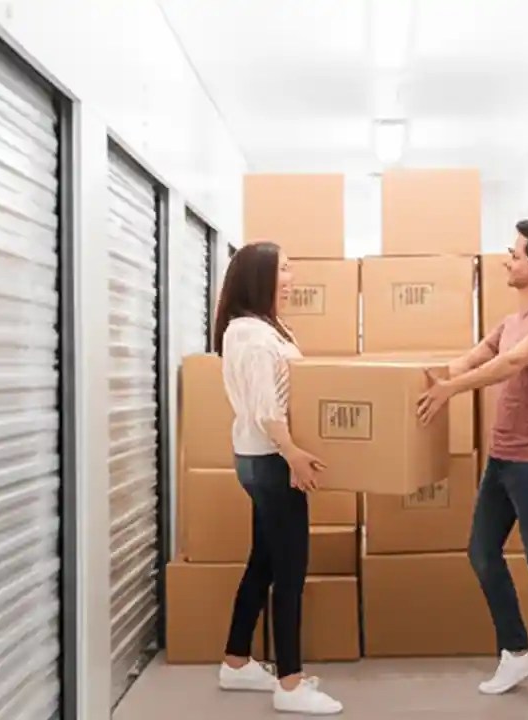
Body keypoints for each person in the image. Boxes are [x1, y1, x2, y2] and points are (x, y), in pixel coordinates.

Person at [416, 220, 528, 713]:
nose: (506, 261)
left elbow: (512, 364)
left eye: (513, 255)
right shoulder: (511, 320)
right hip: (502, 458)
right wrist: (422, 379)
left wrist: (450, 391)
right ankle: (518, 651)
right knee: (482, 553)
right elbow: (475, 358)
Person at [212, 241, 344, 716]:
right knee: (290, 573)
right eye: (285, 268)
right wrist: (293, 455)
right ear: (261, 275)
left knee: (264, 563)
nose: (291, 276)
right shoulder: (253, 336)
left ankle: (236, 661)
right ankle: (290, 685)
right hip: (271, 460)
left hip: (258, 458)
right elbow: (268, 409)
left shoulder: (256, 328)